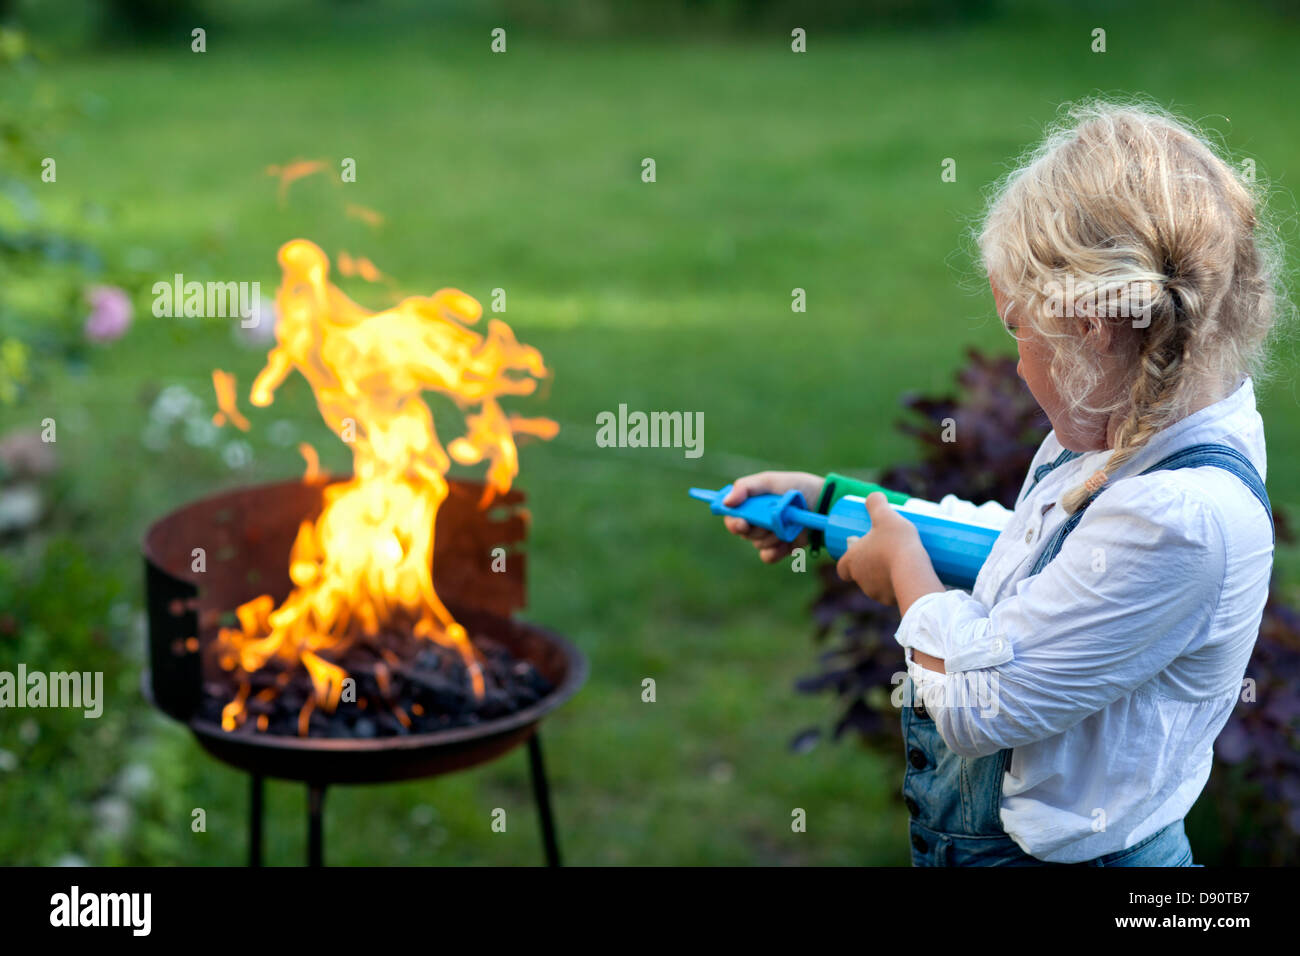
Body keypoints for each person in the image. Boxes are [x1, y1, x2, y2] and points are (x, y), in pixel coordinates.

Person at [722, 100, 1283, 866]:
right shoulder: (1149, 423)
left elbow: (983, 704)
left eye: (1019, 329)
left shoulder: (1182, 516)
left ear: (1094, 328)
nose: (1019, 362)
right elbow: (1042, 560)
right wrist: (836, 507)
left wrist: (904, 574)